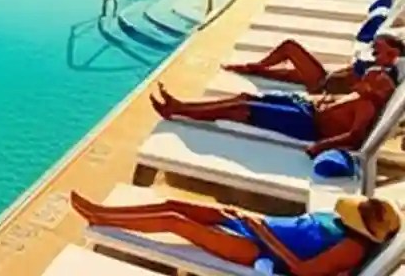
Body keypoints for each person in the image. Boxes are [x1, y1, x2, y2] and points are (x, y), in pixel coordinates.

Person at [71, 191, 399, 276]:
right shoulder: (341, 223)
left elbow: (300, 270)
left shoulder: (352, 248)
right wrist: (257, 218)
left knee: (175, 221)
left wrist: (263, 234)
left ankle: (101, 218)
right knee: (176, 204)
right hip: (256, 227)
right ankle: (102, 212)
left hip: (258, 250)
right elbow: (298, 223)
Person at [150, 72, 396, 158]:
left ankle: (178, 110)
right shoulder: (362, 95)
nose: (371, 75)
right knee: (243, 98)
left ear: (380, 88)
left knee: (242, 111)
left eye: (376, 77)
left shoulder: (368, 106)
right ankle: (181, 105)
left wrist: (320, 146)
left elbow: (355, 136)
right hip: (306, 107)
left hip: (306, 123)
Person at [224, 35, 404, 94]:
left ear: (392, 54)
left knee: (290, 47)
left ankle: (257, 66)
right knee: (285, 74)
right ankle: (254, 69)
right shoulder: (380, 66)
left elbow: (359, 90)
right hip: (326, 78)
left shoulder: (379, 75)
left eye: (377, 50)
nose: (373, 53)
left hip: (323, 86)